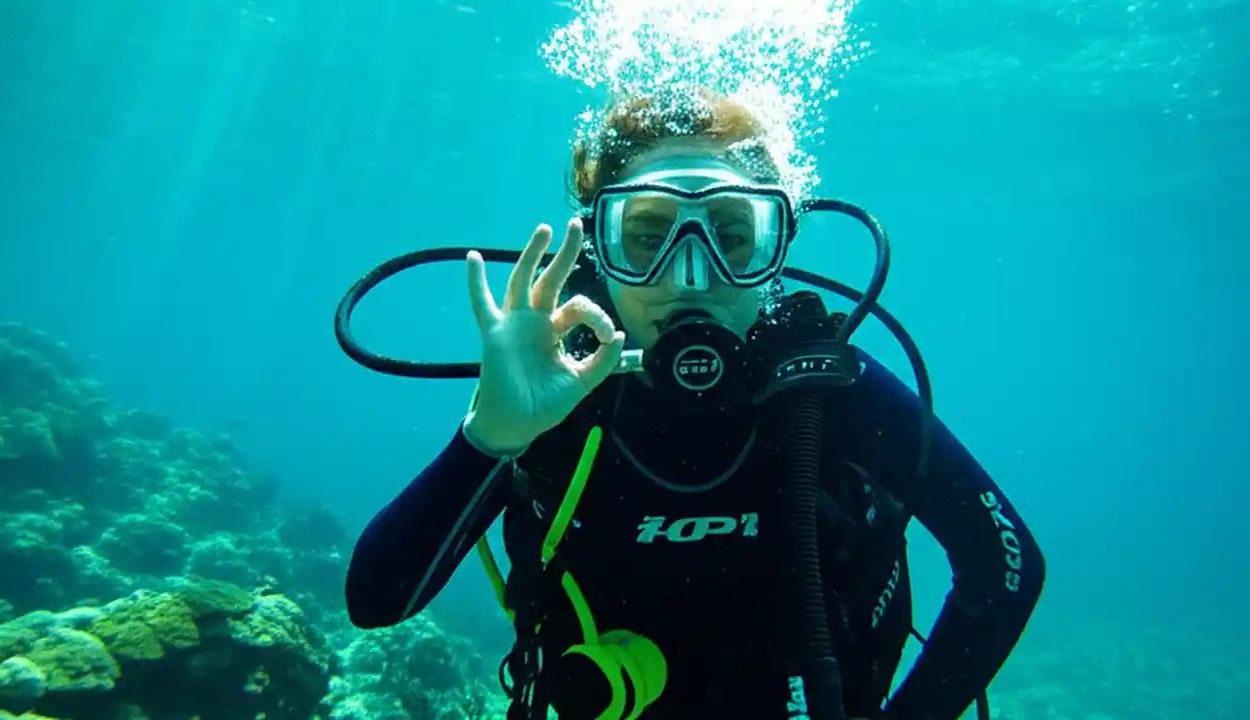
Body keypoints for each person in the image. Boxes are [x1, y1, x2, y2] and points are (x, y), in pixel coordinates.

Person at [345, 89, 1045, 720]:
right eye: (648, 236)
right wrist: (488, 439)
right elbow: (377, 603)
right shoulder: (554, 398)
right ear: (597, 248)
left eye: (732, 235)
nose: (691, 275)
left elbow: (1007, 566)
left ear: (776, 248)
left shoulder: (828, 393)